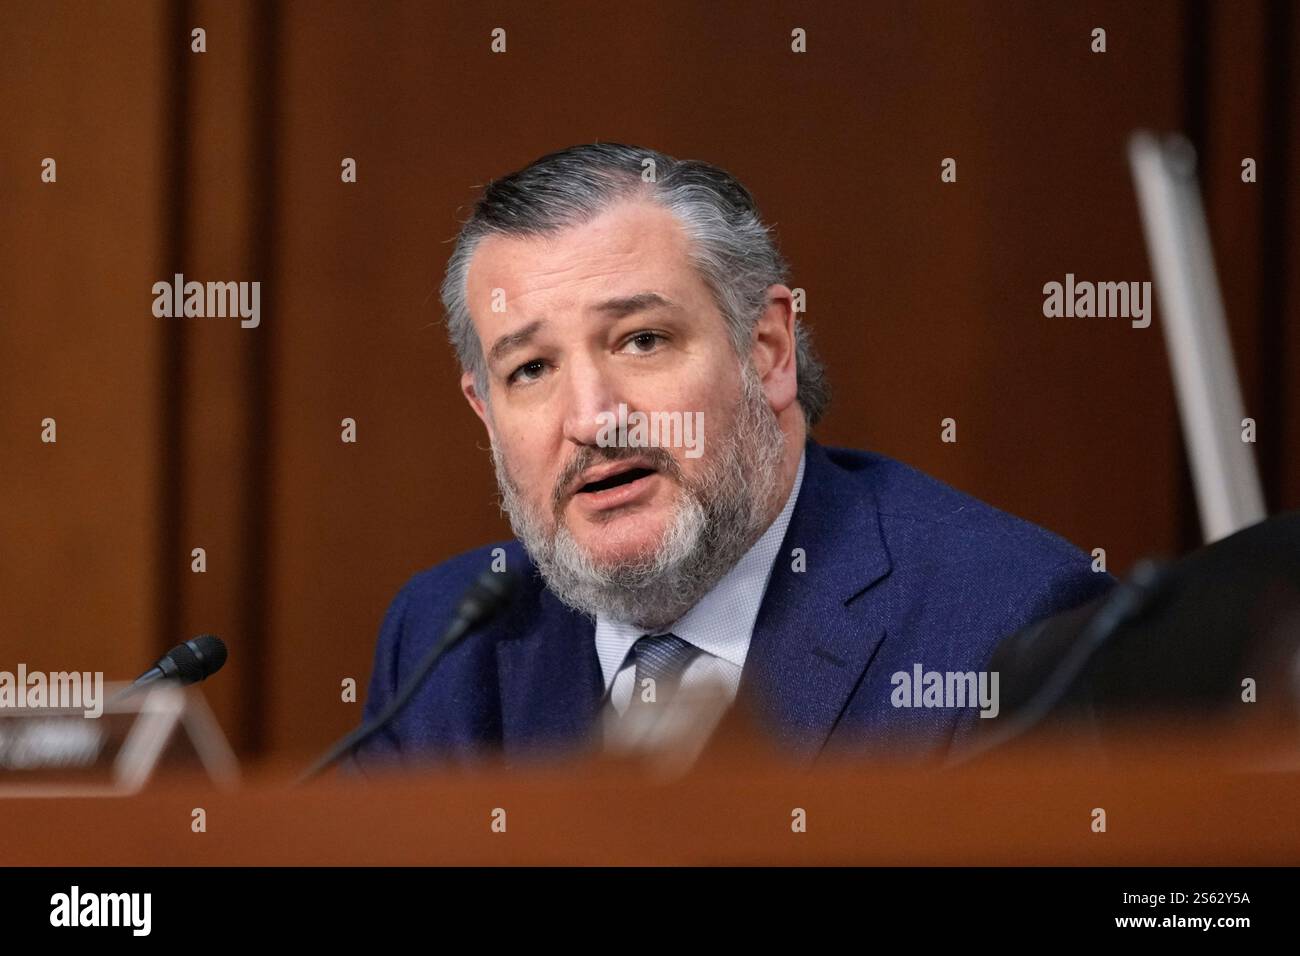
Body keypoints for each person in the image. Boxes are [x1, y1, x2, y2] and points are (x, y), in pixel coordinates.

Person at [353, 142, 1113, 772]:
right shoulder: (446, 646)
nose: (592, 420)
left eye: (642, 340)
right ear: (485, 413)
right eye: (531, 370)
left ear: (769, 350)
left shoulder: (1007, 622)